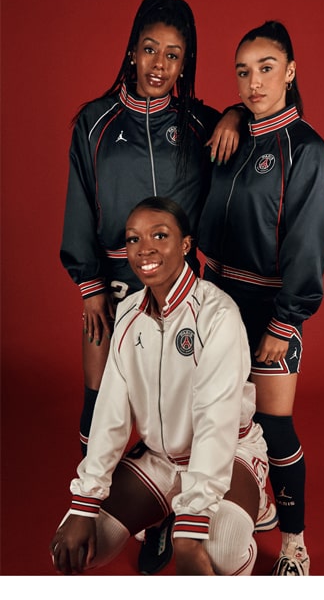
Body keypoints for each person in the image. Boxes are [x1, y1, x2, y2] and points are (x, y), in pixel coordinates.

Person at [59, 0, 242, 574]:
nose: (159, 65)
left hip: (180, 283)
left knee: (189, 400)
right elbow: (78, 207)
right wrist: (89, 285)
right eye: (149, 50)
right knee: (104, 401)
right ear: (132, 52)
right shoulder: (94, 122)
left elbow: (255, 144)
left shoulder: (200, 122)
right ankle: (102, 501)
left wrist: (236, 115)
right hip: (114, 280)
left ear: (186, 61)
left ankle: (176, 516)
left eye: (173, 53)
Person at [50, 196, 268, 576]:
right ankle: (167, 508)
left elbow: (215, 423)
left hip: (229, 453)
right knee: (75, 548)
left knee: (221, 553)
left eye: (159, 235)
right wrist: (83, 502)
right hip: (161, 459)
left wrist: (192, 525)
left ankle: (250, 501)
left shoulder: (218, 315)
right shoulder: (129, 314)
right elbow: (111, 414)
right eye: (133, 239)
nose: (144, 249)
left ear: (185, 245)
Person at [196, 20, 324, 576]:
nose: (254, 82)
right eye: (243, 72)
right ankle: (193, 516)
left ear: (291, 71)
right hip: (213, 291)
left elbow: (308, 241)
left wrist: (287, 320)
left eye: (267, 68)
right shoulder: (230, 133)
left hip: (269, 303)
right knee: (211, 417)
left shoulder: (308, 150)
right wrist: (230, 114)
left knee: (274, 426)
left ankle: (295, 541)